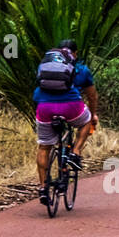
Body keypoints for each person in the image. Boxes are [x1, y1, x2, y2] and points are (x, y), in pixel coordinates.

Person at [34, 39, 99, 203]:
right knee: (87, 120)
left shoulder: (46, 64)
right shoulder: (81, 69)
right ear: (75, 53)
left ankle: (43, 188)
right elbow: (92, 95)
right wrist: (93, 114)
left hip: (44, 108)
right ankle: (75, 152)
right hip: (71, 107)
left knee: (44, 147)